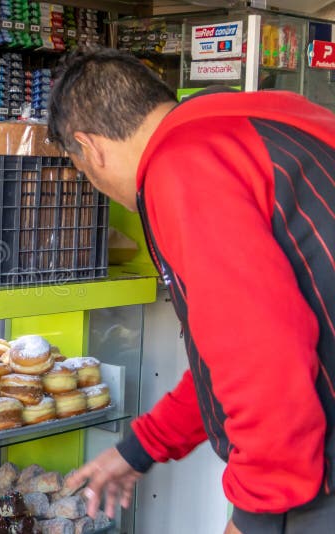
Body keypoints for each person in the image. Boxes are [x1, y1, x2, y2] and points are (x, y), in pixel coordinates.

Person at [47, 46, 335, 534]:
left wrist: (255, 516)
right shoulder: (253, 122)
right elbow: (230, 350)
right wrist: (142, 446)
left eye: (84, 172)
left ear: (89, 148)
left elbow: (263, 356)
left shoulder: (181, 166)